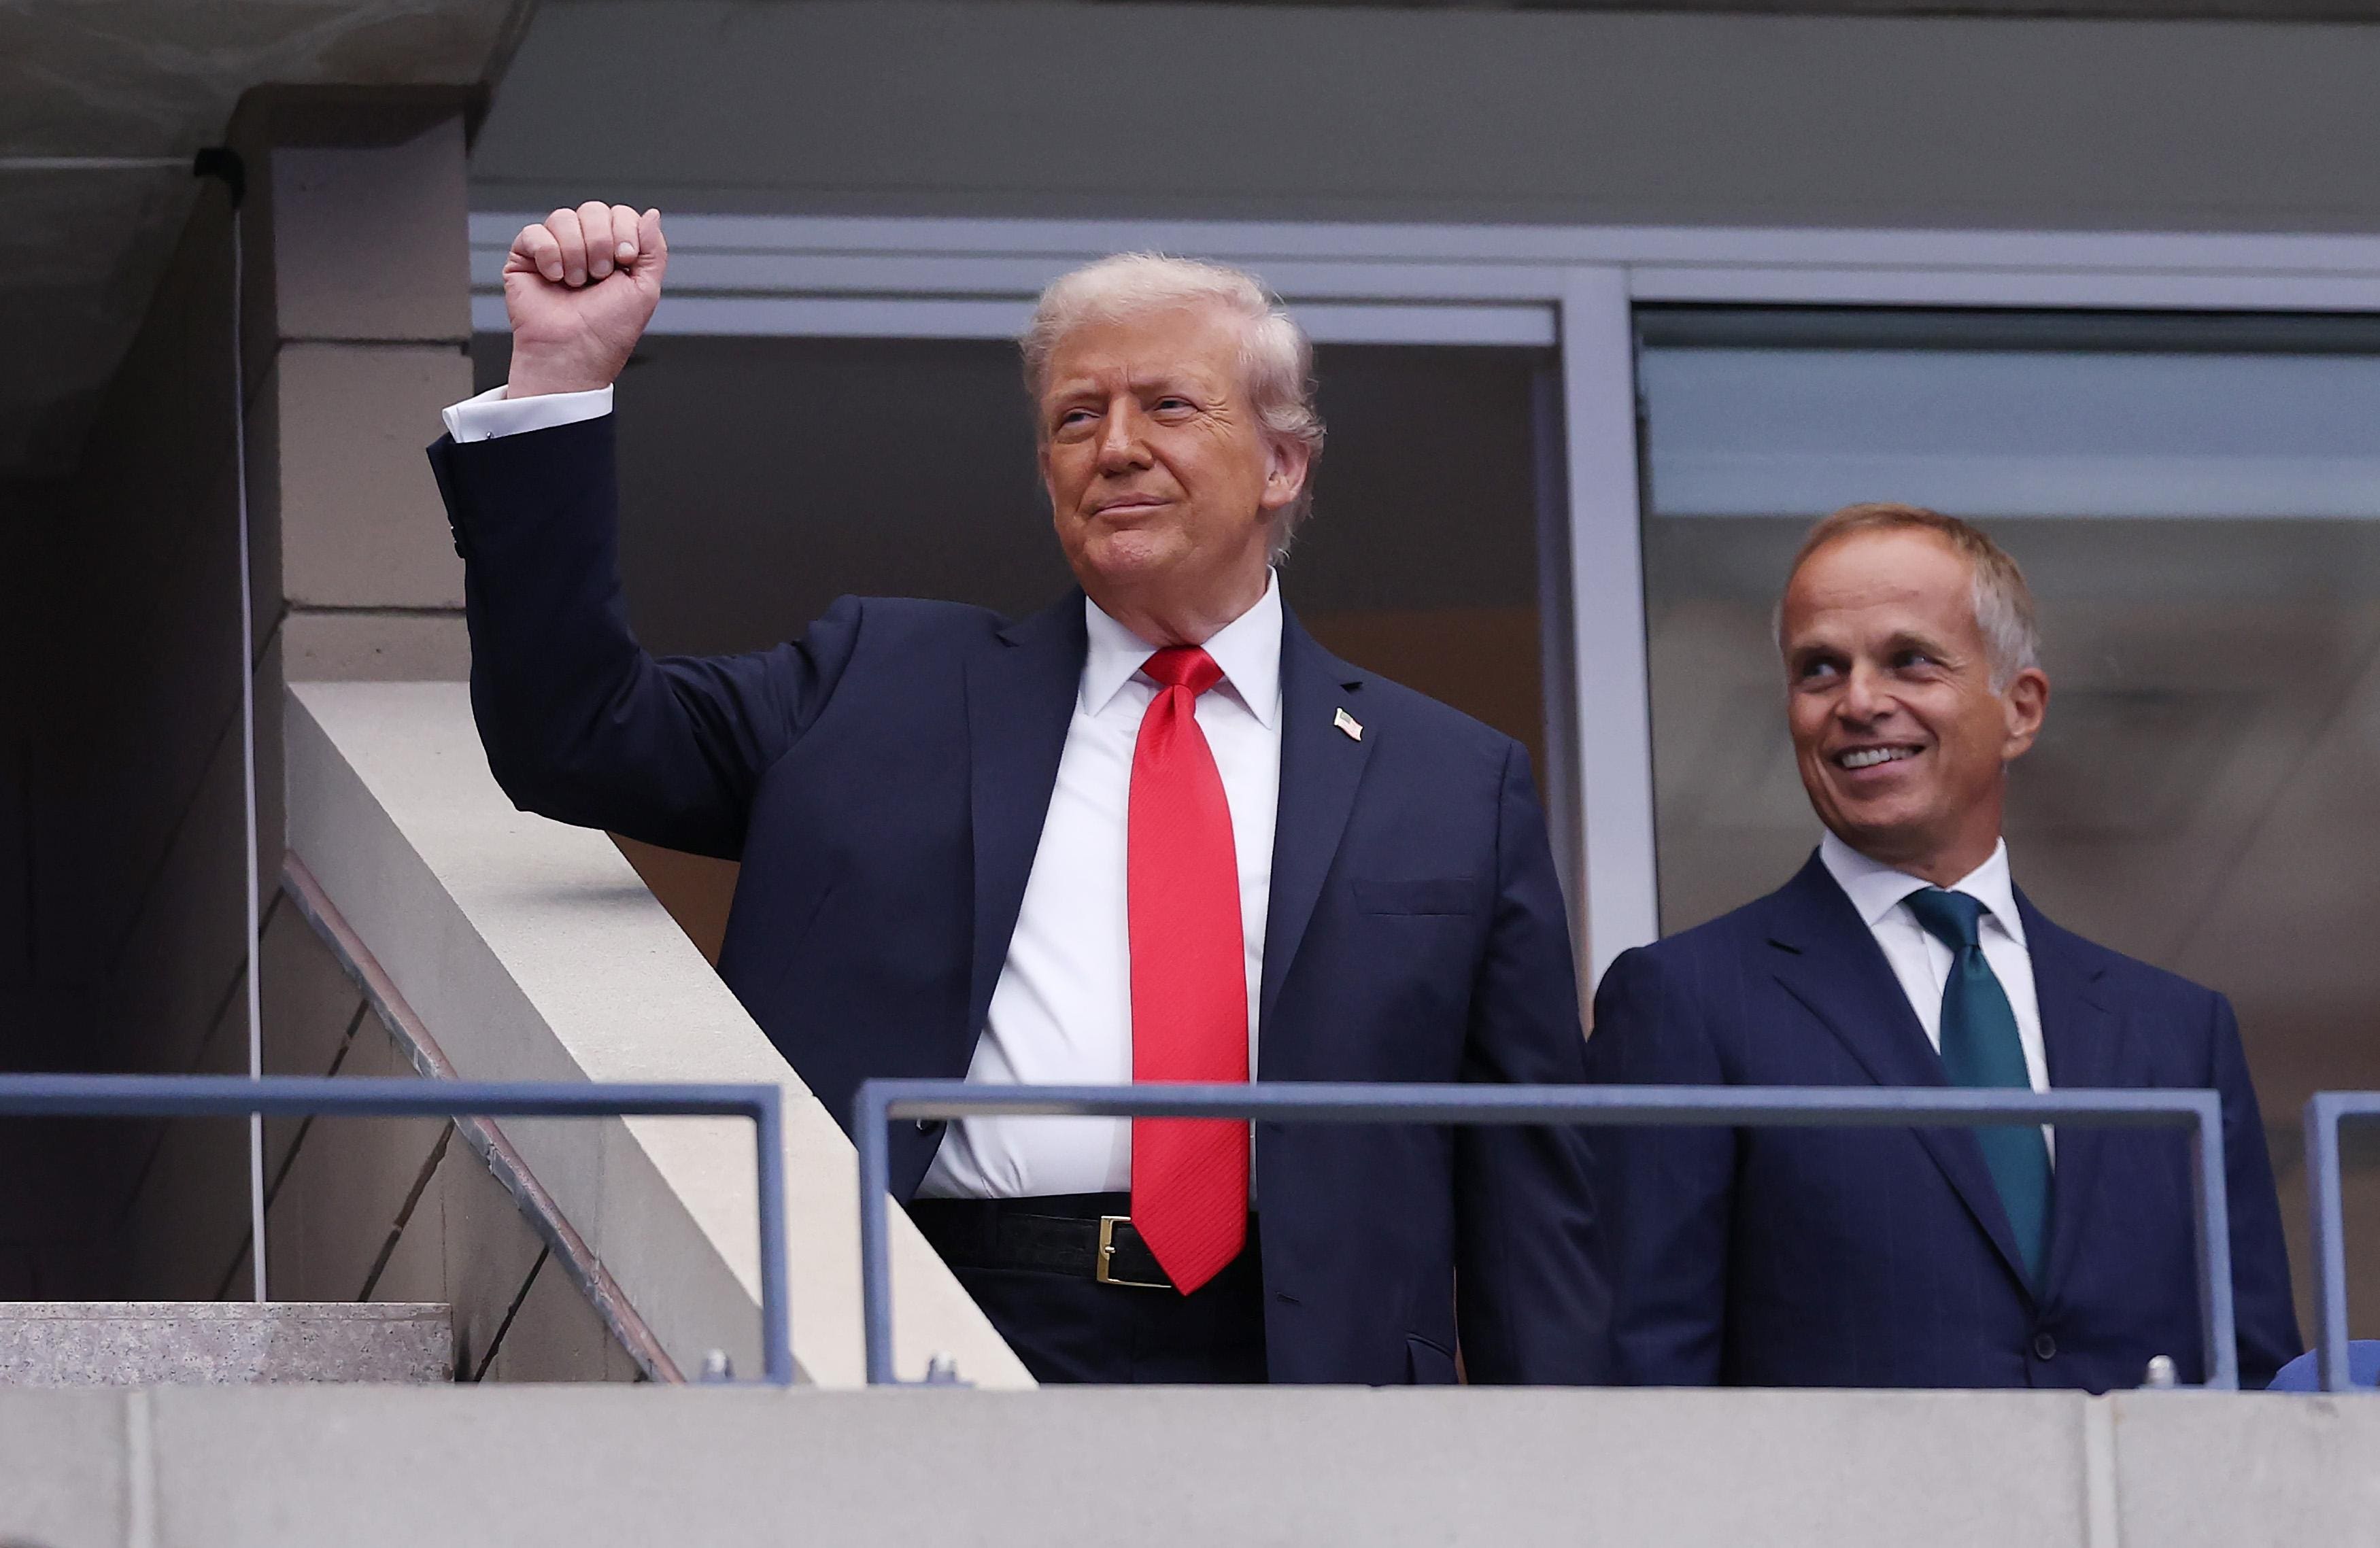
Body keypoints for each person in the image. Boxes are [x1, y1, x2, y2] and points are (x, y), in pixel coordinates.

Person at [426, 203, 1600, 1385]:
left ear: (1284, 463)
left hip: (1310, 1366)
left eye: (1170, 406)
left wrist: (1561, 1477)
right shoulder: (875, 685)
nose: (1118, 446)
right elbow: (573, 735)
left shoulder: (1455, 779)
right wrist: (559, 382)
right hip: (939, 1336)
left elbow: (1531, 1194)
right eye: (1077, 417)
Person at [1584, 502, 2300, 1390]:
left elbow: (2262, 1384)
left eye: (1909, 660)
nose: (1858, 700)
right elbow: (1643, 1386)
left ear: (2021, 709)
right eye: (1819, 669)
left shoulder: (2176, 1031)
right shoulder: (1685, 1000)